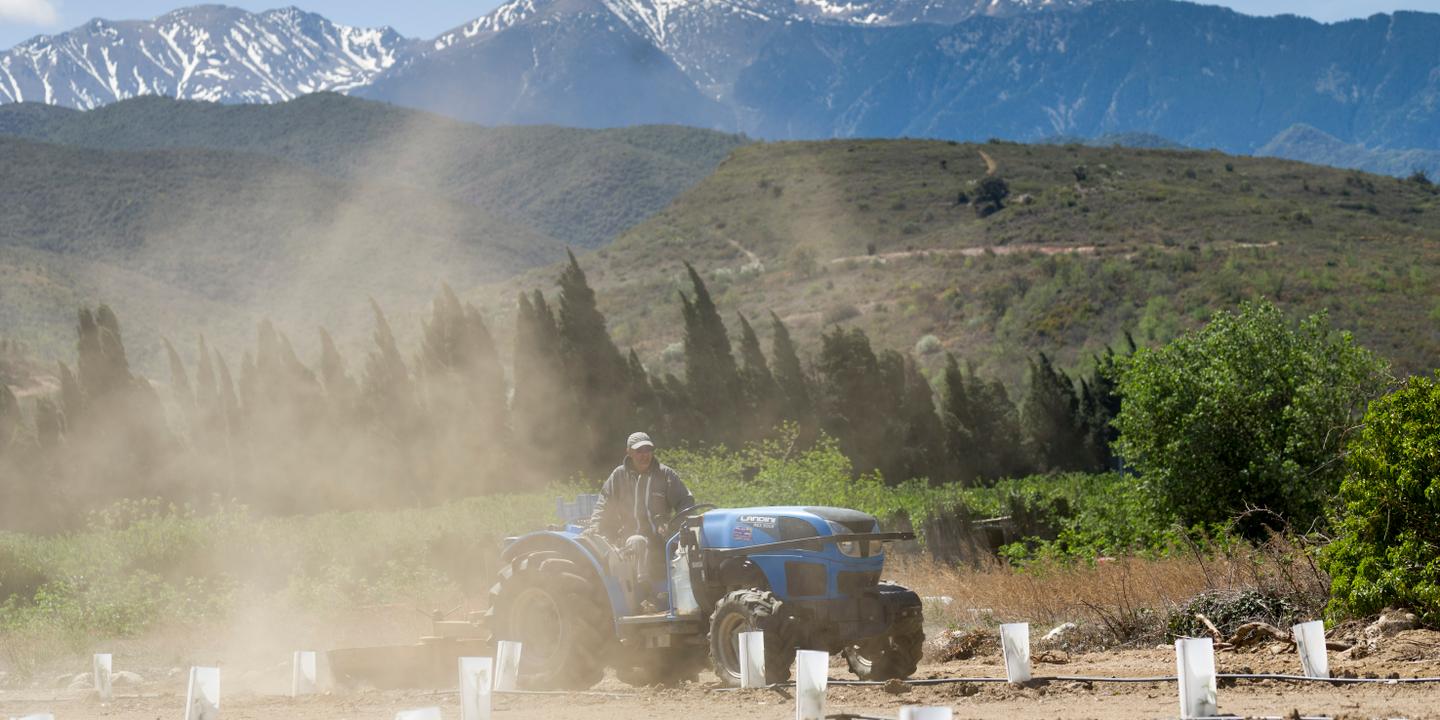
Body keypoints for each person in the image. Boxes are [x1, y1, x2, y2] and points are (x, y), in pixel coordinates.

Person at [587, 431, 694, 611]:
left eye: (648, 450)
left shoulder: (665, 474)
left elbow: (686, 502)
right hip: (629, 540)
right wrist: (595, 526)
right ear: (629, 452)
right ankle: (646, 596)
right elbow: (603, 503)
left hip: (662, 538)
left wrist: (675, 526)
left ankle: (690, 599)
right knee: (638, 542)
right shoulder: (619, 476)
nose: (645, 455)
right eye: (639, 451)